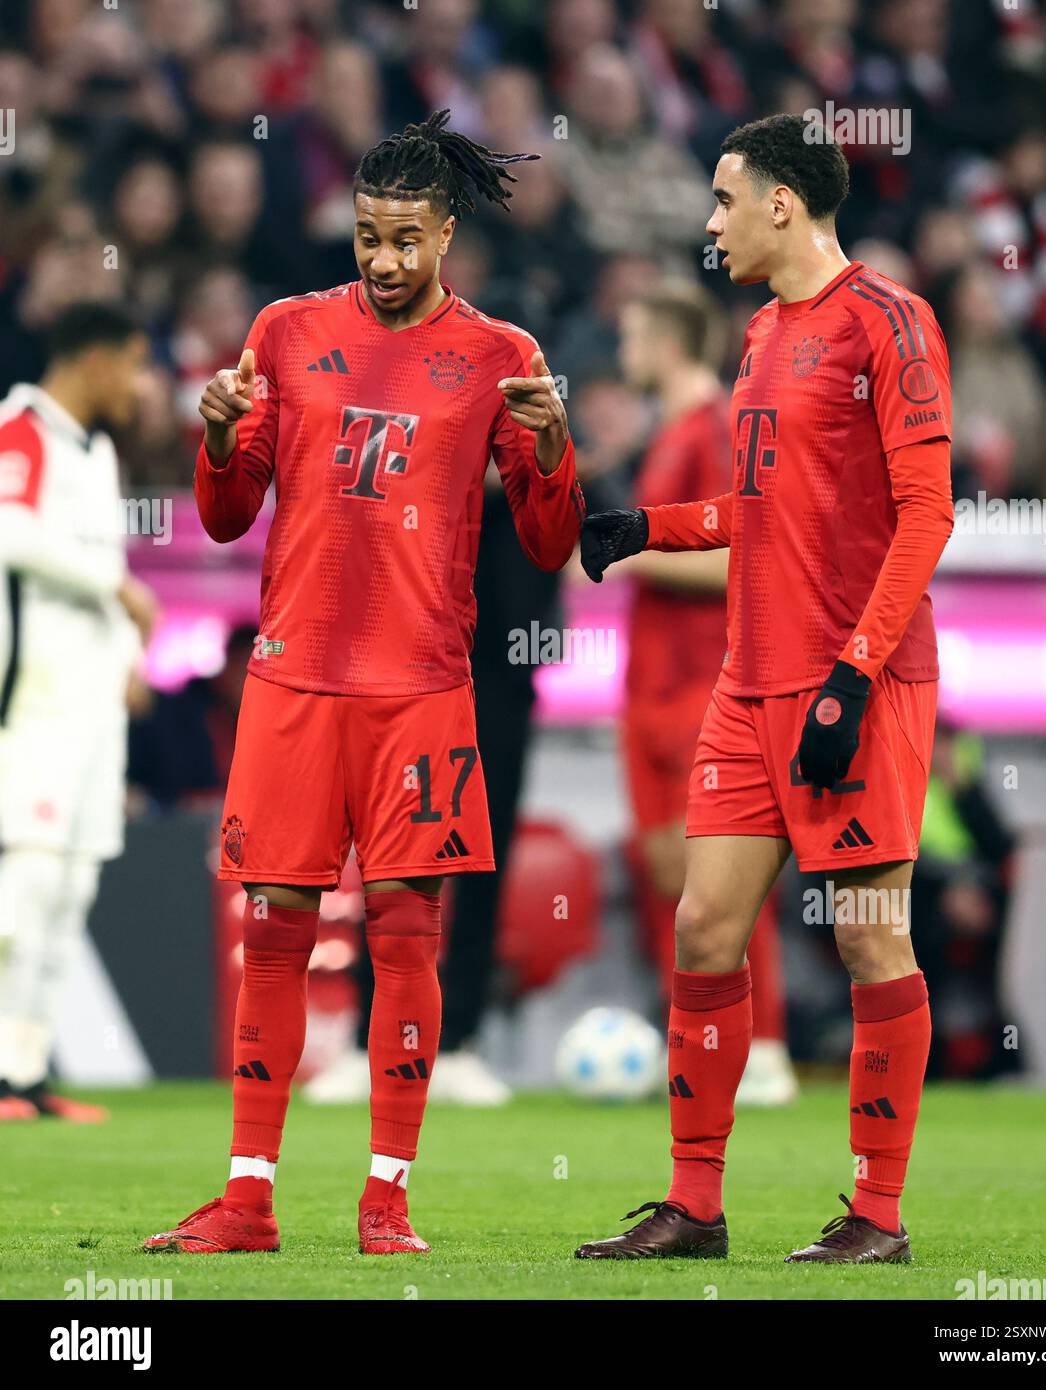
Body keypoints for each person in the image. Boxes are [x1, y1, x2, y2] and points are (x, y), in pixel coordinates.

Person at [142, 111, 583, 1257]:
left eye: (404, 240)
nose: (381, 262)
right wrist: (221, 438)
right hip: (292, 679)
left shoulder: (500, 355)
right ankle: (247, 1199)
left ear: (445, 234)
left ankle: (385, 1202)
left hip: (421, 688)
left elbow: (545, 543)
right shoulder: (285, 332)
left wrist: (550, 451)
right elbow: (229, 514)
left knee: (404, 937)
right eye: (364, 238)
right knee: (275, 925)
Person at [576, 113, 953, 1263]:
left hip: (856, 680)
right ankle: (694, 1207)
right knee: (700, 926)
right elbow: (759, 512)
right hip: (749, 685)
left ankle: (876, 1217)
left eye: (722, 198)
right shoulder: (758, 335)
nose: (709, 221)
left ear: (781, 202)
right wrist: (644, 526)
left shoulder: (889, 323)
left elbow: (924, 514)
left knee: (866, 940)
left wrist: (852, 670)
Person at [614, 281, 797, 1107]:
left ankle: (762, 1046)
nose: (623, 352)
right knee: (663, 872)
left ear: (667, 340)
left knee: (723, 870)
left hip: (701, 682)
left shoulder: (718, 427)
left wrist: (629, 550)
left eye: (633, 334)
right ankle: (692, 1037)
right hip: (646, 685)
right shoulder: (671, 430)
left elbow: (739, 557)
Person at [0, 302, 155, 1123]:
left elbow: (105, 563)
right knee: (24, 883)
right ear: (93, 359)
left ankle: (24, 1073)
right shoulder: (20, 426)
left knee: (70, 886)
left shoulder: (96, 454)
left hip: (95, 709)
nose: (140, 383)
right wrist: (116, 590)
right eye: (132, 362)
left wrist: (127, 660)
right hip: (33, 704)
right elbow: (9, 535)